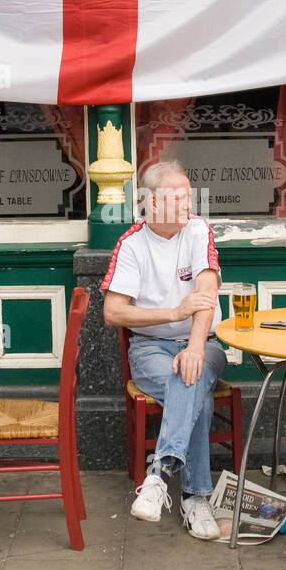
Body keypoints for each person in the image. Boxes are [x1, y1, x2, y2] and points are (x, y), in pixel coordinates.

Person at [101, 160, 226, 540]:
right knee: (197, 396)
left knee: (190, 372)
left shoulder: (199, 230)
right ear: (152, 203)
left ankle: (158, 476)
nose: (188, 203)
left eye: (189, 195)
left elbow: (205, 296)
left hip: (205, 344)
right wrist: (173, 313)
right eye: (178, 197)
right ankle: (195, 498)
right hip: (150, 348)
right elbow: (112, 313)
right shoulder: (132, 244)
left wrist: (193, 347)